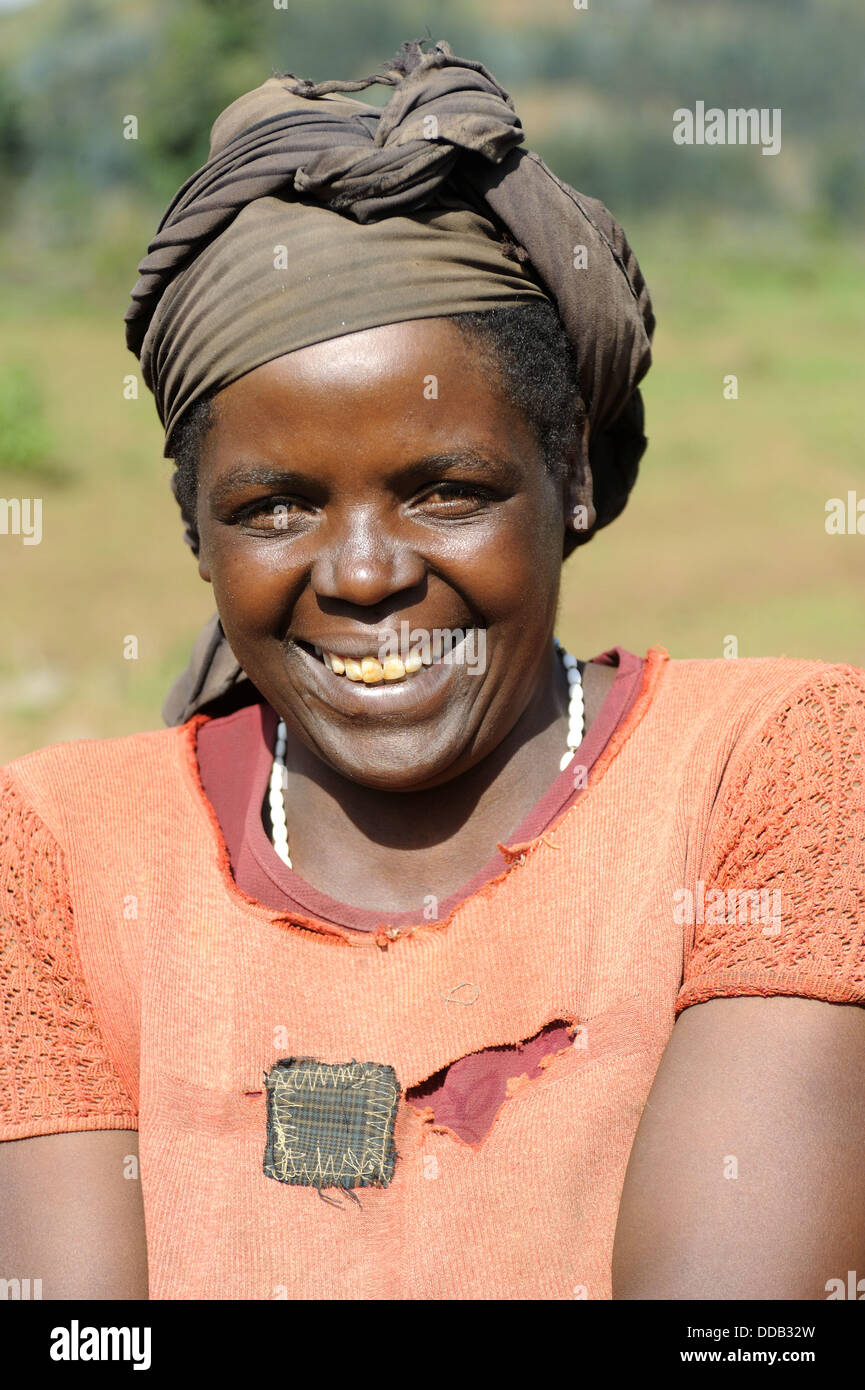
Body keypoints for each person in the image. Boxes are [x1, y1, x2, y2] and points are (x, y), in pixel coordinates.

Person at [1, 39, 864, 1302]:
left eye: (444, 490)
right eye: (275, 507)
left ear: (568, 476)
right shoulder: (56, 856)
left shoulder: (779, 767)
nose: (360, 576)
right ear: (197, 533)